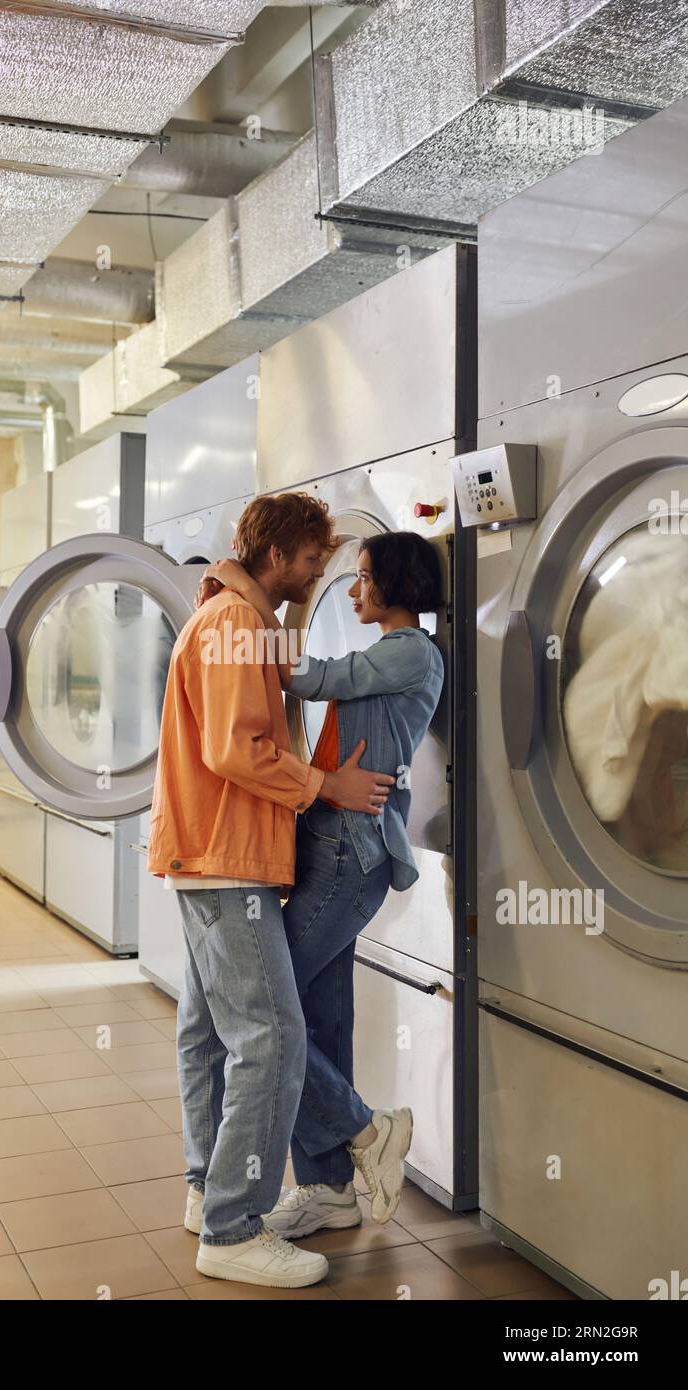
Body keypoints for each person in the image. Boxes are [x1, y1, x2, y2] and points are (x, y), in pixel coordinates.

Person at [147, 492, 396, 1288]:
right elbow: (237, 749)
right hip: (228, 856)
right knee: (272, 1037)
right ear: (280, 555)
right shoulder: (235, 625)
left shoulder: (232, 619)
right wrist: (328, 782)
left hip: (209, 848)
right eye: (316, 559)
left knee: (207, 1028)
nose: (322, 571)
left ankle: (204, 1189)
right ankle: (230, 1228)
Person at [203, 529, 444, 1237]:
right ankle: (333, 1187)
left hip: (351, 853)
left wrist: (249, 592)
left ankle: (370, 1132)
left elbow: (310, 678)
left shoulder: (411, 651)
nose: (354, 588)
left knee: (268, 1020)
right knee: (316, 1015)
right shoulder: (393, 650)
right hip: (333, 842)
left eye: (365, 578)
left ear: (397, 586)